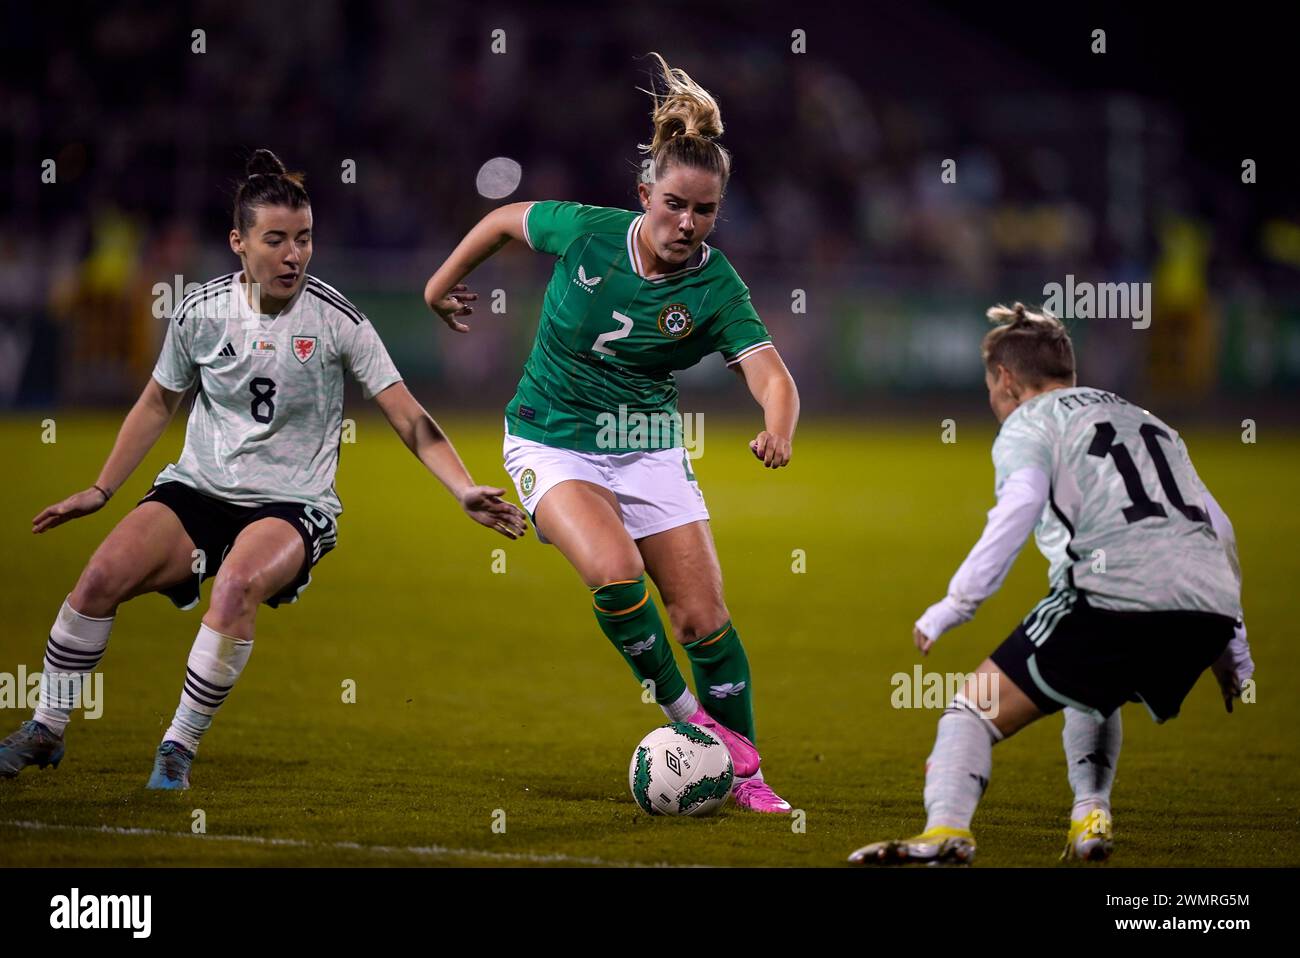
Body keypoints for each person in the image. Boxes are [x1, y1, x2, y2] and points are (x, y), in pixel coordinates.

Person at [1, 149, 527, 790]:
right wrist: (101, 488)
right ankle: (46, 729)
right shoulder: (200, 311)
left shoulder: (339, 321)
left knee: (236, 586)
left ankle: (176, 749)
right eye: (275, 239)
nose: (293, 255)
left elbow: (408, 415)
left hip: (290, 503)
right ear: (237, 243)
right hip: (197, 489)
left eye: (303, 239)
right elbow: (157, 401)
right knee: (99, 577)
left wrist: (462, 487)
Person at [421, 54, 800, 812]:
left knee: (702, 618)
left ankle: (747, 780)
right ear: (643, 196)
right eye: (673, 205)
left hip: (649, 444)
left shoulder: (715, 284)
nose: (686, 224)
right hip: (549, 438)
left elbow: (771, 374)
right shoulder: (589, 233)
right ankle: (692, 724)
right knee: (616, 571)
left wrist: (777, 426)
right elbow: (502, 219)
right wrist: (438, 284)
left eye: (704, 212)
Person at [849, 303, 1254, 864]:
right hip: (1207, 611)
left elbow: (1017, 509)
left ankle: (945, 831)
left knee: (971, 709)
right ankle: (1090, 815)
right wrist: (1233, 646)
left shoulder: (1030, 422)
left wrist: (954, 605)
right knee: (1091, 687)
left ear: (1007, 381)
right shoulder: (1150, 421)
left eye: (991, 385)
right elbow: (1219, 526)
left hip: (1115, 599)